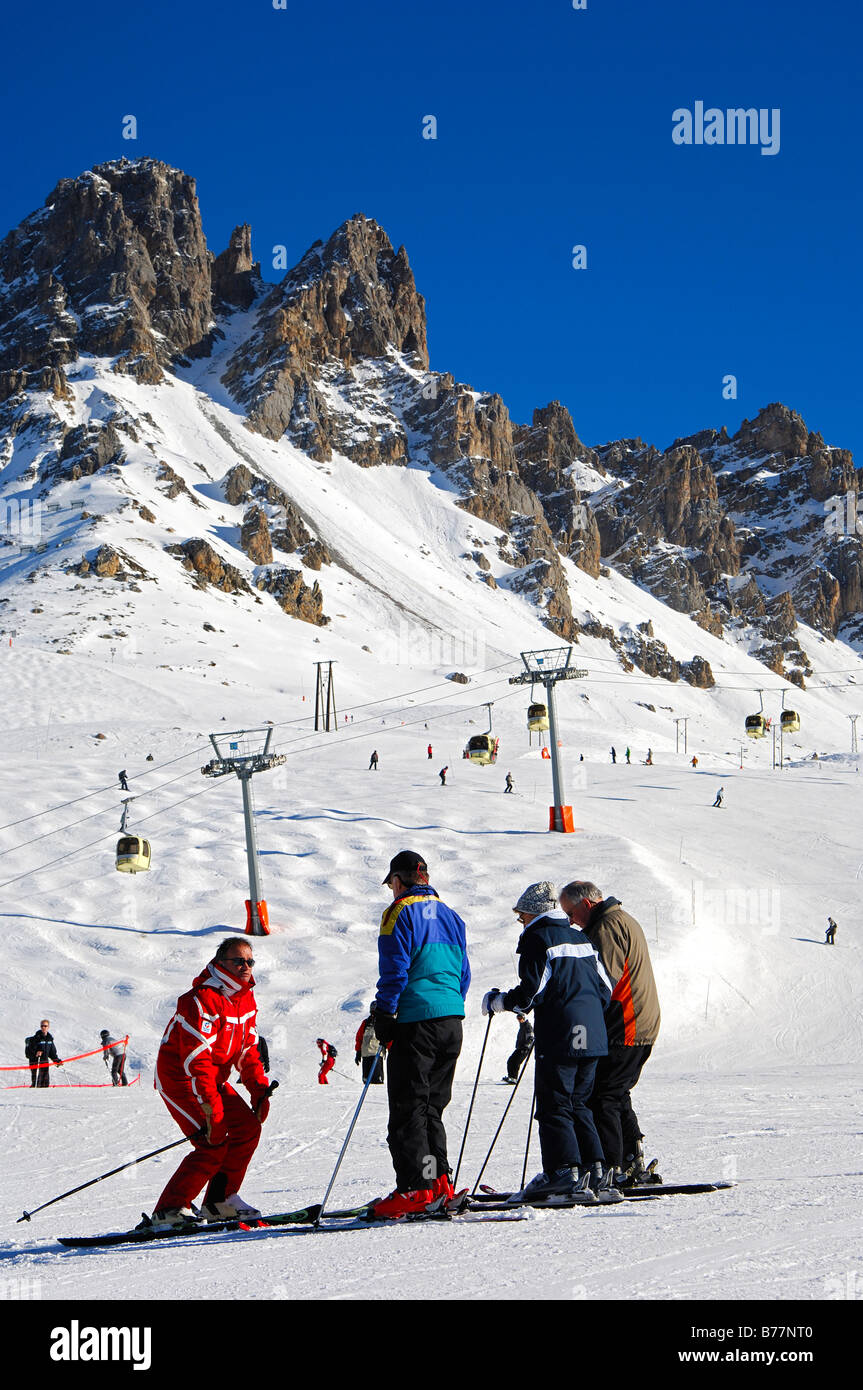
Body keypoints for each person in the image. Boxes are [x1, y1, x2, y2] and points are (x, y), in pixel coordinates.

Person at [483, 882, 615, 1200]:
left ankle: (562, 1172)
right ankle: (593, 1171)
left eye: (522, 916)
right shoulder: (580, 937)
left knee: (555, 1103)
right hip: (593, 1035)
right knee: (579, 1102)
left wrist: (499, 1001)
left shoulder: (538, 938)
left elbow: (532, 992)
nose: (522, 922)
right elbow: (606, 989)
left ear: (534, 913)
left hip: (561, 1034)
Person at [371, 849, 470, 1217]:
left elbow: (394, 969)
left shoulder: (398, 912)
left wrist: (385, 1012)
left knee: (408, 1107)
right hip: (450, 1018)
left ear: (398, 881)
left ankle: (416, 1189)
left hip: (416, 1019)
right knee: (432, 1106)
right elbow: (464, 974)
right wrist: (449, 1005)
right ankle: (437, 1180)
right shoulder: (452, 915)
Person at [151, 939, 272, 1229]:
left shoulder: (244, 998)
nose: (245, 967)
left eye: (250, 962)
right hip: (181, 1078)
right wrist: (210, 1107)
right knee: (212, 1142)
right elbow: (196, 1059)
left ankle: (220, 1201)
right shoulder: (200, 999)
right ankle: (170, 1209)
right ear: (220, 963)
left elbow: (247, 1048)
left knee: (247, 1128)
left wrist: (258, 1088)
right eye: (238, 961)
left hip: (211, 1078)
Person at [559, 881, 660, 1185]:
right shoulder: (621, 918)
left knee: (603, 1095)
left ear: (587, 905)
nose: (571, 921)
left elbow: (602, 979)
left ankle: (614, 1168)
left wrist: (575, 1011)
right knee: (615, 1094)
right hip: (638, 1023)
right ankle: (631, 1160)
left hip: (626, 1024)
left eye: (572, 913)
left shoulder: (607, 926)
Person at [354, 1007, 386, 1084]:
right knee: (366, 1080)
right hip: (366, 1055)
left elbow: (388, 1038)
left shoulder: (383, 1023)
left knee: (376, 1080)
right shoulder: (365, 1023)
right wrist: (358, 1052)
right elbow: (359, 1037)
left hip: (377, 1054)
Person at [25, 1020, 61, 1088]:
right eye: (42, 1026)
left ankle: (44, 1095)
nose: (43, 1027)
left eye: (45, 1026)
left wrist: (57, 1060)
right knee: (36, 1081)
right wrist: (37, 1051)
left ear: (48, 1027)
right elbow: (32, 1049)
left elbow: (52, 1053)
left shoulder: (49, 1039)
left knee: (45, 1080)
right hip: (35, 1061)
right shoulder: (36, 1038)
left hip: (44, 1061)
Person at [503, 1012, 534, 1083]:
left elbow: (531, 1037)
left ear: (524, 1018)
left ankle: (514, 1078)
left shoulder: (527, 1026)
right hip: (520, 1047)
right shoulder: (522, 1026)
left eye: (520, 1018)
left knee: (516, 1062)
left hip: (524, 1048)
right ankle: (511, 1077)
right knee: (510, 1060)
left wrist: (527, 1046)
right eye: (518, 1018)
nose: (519, 1020)